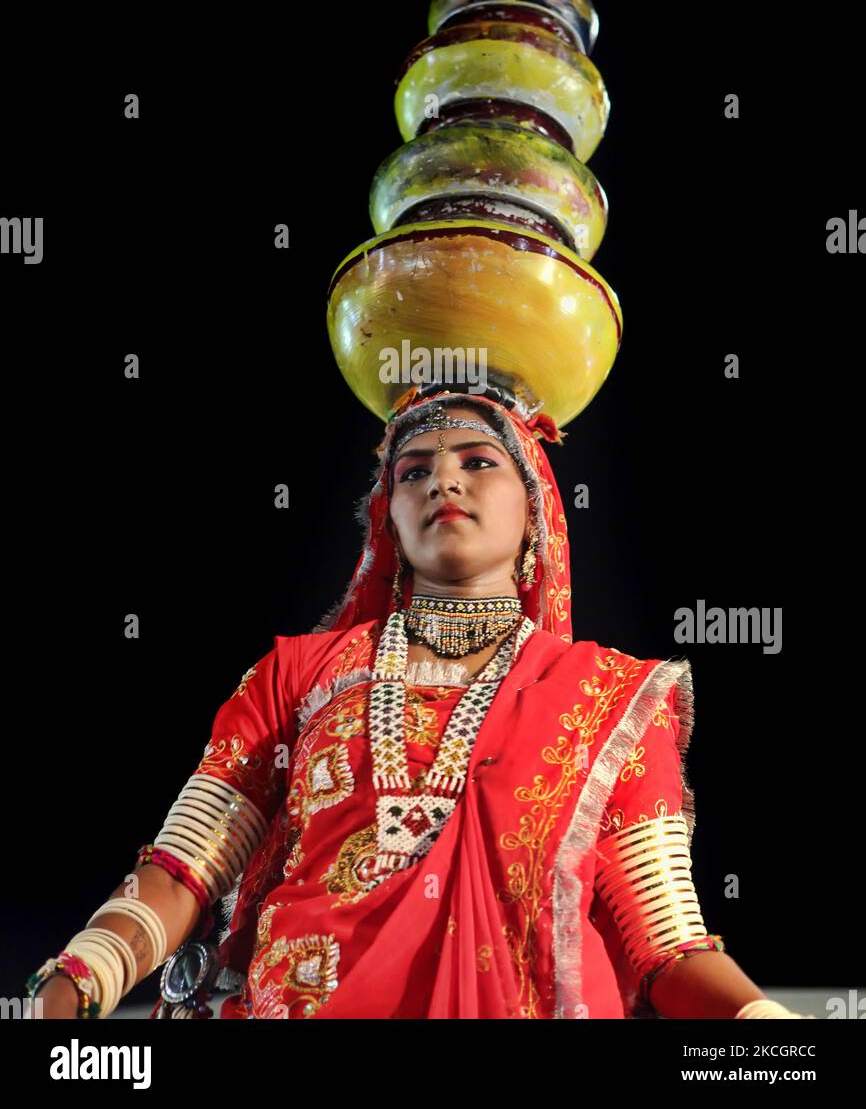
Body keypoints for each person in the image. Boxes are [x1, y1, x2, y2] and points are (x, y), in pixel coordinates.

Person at [26, 390, 806, 1020]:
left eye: (477, 461)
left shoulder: (609, 697)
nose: (443, 481)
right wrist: (76, 977)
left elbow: (668, 947)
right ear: (389, 521)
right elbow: (181, 871)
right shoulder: (295, 674)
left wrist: (766, 1029)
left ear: (535, 511)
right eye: (412, 471)